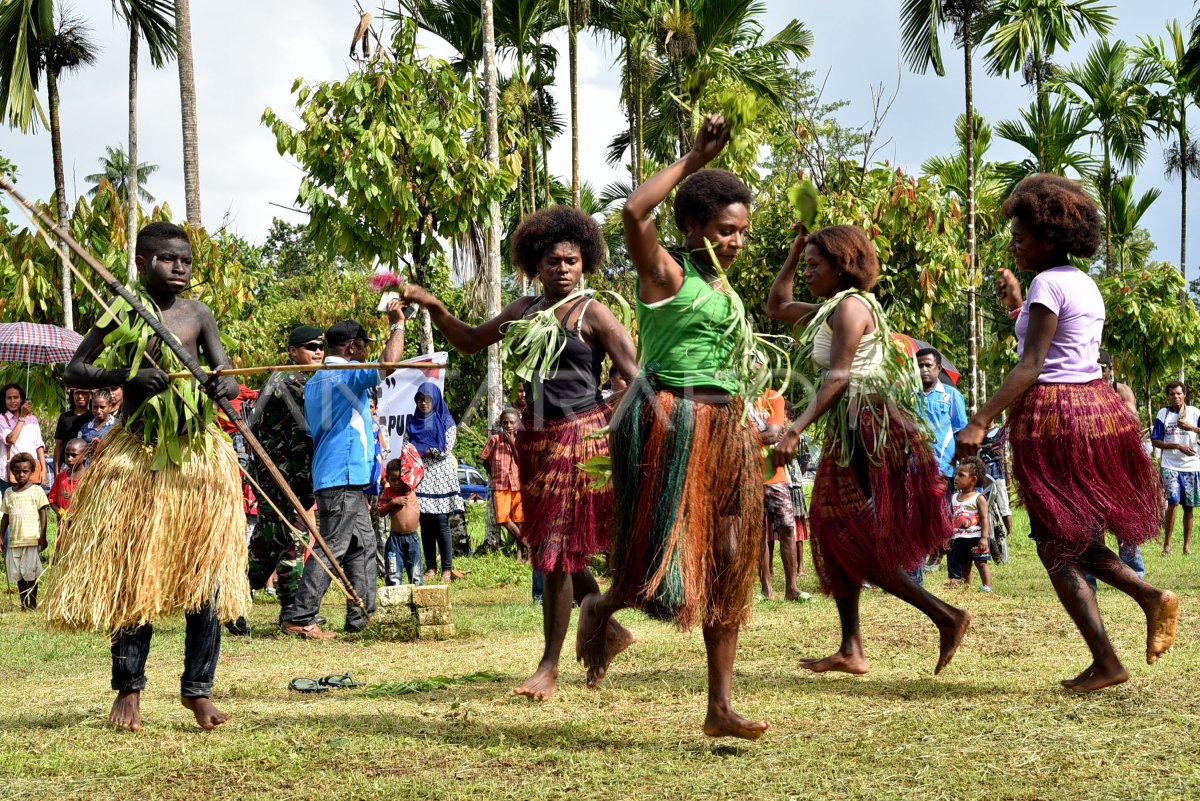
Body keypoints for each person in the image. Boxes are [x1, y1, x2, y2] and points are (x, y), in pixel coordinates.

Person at [571, 116, 768, 740]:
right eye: (724, 231)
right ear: (692, 227)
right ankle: (603, 605)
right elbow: (632, 213)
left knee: (730, 557)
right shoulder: (665, 274)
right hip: (671, 422)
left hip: (726, 426)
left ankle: (719, 706)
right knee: (658, 556)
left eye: (742, 232)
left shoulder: (721, 285)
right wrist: (692, 157)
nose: (736, 242)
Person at [402, 205, 639, 702]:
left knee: (552, 553)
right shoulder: (523, 312)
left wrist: (629, 428)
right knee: (558, 546)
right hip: (536, 440)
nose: (562, 268)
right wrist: (435, 307)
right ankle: (602, 623)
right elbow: (467, 341)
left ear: (585, 262)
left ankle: (548, 667)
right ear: (536, 262)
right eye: (552, 260)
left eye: (571, 260)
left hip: (580, 438)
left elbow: (634, 375)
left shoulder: (592, 312)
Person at [956, 173, 1177, 692]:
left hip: (1055, 417)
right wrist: (1016, 308)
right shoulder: (1081, 282)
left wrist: (981, 418)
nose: (1014, 244)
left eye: (1022, 236)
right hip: (1094, 410)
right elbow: (1064, 347)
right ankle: (1112, 651)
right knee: (1072, 535)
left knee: (1057, 541)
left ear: (1050, 238)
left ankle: (1138, 610)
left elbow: (1033, 364)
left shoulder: (1047, 284)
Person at [44, 220, 247, 731]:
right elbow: (75, 370)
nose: (179, 267)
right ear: (141, 263)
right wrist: (127, 377)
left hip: (197, 457)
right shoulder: (123, 310)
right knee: (136, 577)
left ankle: (198, 690)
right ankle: (129, 691)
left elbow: (221, 375)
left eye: (186, 260)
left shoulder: (199, 314)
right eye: (167, 259)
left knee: (206, 579)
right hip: (138, 456)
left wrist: (223, 388)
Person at [767, 223, 971, 680]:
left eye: (815, 265)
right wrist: (796, 247)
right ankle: (852, 647)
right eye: (807, 264)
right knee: (836, 532)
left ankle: (944, 615)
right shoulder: (829, 311)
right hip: (851, 430)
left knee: (848, 536)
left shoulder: (853, 308)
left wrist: (796, 429)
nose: (808, 273)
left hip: (869, 429)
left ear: (842, 266)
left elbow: (839, 378)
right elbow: (775, 305)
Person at [283, 312, 406, 639]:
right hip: (343, 473)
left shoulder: (314, 382)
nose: (366, 352)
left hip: (337, 473)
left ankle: (361, 617)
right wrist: (398, 324)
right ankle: (301, 615)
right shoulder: (346, 373)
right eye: (364, 347)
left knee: (363, 546)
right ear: (352, 347)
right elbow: (388, 365)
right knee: (333, 546)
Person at [245, 325, 324, 631]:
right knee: (284, 536)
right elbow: (299, 438)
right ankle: (234, 600)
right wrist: (305, 486)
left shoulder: (295, 380)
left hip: (281, 472)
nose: (318, 351)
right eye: (310, 347)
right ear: (293, 351)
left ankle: (284, 608)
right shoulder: (290, 381)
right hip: (282, 473)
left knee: (282, 540)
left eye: (320, 346)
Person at [406, 383, 464, 584]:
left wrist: (424, 450)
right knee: (426, 522)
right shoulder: (413, 422)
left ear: (435, 400)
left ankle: (447, 569)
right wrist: (420, 451)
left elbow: (445, 449)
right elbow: (407, 446)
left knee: (440, 521)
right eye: (420, 399)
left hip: (441, 477)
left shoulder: (447, 422)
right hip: (421, 476)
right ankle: (430, 566)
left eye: (428, 399)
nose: (423, 403)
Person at [755, 386, 800, 601]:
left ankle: (792, 588)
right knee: (756, 533)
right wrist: (766, 434)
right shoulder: (734, 395)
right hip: (748, 475)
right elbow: (772, 434)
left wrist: (745, 435)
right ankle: (766, 588)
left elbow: (774, 434)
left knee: (787, 528)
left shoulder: (773, 396)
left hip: (775, 475)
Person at [1151, 381, 1200, 557]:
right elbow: (1155, 440)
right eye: (1172, 394)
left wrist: (1191, 427)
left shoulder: (1195, 412)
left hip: (1192, 465)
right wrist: (1177, 446)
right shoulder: (1163, 413)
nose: (1175, 396)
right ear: (1168, 396)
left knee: (1189, 507)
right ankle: (1167, 544)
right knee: (1173, 502)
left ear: (1184, 394)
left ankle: (1187, 546)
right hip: (1170, 465)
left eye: (1178, 393)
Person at [1, 453, 48, 609]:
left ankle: (32, 603)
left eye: (25, 471)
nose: (21, 474)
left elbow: (43, 513)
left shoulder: (36, 491)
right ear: (12, 472)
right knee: (19, 574)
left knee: (31, 573)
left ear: (32, 472)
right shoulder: (9, 493)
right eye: (17, 471)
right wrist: (1, 535)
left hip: (31, 539)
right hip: (15, 541)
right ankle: (23, 603)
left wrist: (42, 535)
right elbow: (6, 517)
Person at [480, 408, 526, 558]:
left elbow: (522, 462)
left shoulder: (520, 441)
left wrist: (512, 444)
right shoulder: (494, 439)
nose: (508, 425)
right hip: (500, 485)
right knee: (503, 518)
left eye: (512, 422)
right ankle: (529, 545)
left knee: (519, 519)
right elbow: (485, 460)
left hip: (518, 485)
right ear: (501, 424)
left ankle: (520, 553)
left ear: (518, 424)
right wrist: (494, 474)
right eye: (505, 422)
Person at [378, 450, 425, 585]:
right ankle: (394, 597)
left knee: (415, 571)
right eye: (393, 479)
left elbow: (418, 470)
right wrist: (393, 503)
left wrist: (407, 450)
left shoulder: (409, 488)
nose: (397, 483)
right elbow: (380, 511)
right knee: (393, 570)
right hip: (395, 540)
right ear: (387, 478)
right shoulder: (387, 492)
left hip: (412, 538)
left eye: (401, 479)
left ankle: (417, 597)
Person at [948, 456, 993, 593]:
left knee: (981, 563)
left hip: (976, 538)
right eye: (956, 474)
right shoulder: (954, 497)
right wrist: (948, 536)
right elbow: (951, 517)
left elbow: (985, 518)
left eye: (961, 475)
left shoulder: (978, 498)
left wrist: (984, 538)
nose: (956, 478)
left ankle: (986, 587)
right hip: (960, 538)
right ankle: (966, 587)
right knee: (965, 565)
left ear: (973, 480)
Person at [1, 383, 48, 488]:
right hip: (10, 475)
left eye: (16, 397)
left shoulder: (32, 419)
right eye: (9, 398)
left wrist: (44, 470)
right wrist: (22, 417)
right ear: (4, 400)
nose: (13, 401)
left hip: (31, 473)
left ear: (21, 398)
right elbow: (10, 439)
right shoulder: (2, 419)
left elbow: (39, 445)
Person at [52, 388, 92, 473]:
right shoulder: (64, 418)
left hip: (88, 468)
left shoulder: (94, 418)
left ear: (90, 396)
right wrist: (56, 472)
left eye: (84, 393)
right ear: (72, 395)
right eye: (77, 393)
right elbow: (59, 446)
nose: (80, 396)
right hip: (67, 467)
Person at [48, 437, 87, 523]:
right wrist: (63, 514)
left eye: (74, 455)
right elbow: (52, 500)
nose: (69, 459)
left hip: (82, 526)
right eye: (67, 454)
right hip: (63, 527)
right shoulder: (61, 477)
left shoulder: (89, 478)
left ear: (85, 456)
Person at [78, 388, 116, 459]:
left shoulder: (117, 426)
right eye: (95, 407)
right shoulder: (85, 428)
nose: (98, 411)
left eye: (102, 407)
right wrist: (86, 449)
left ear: (110, 407)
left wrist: (100, 449)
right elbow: (77, 450)